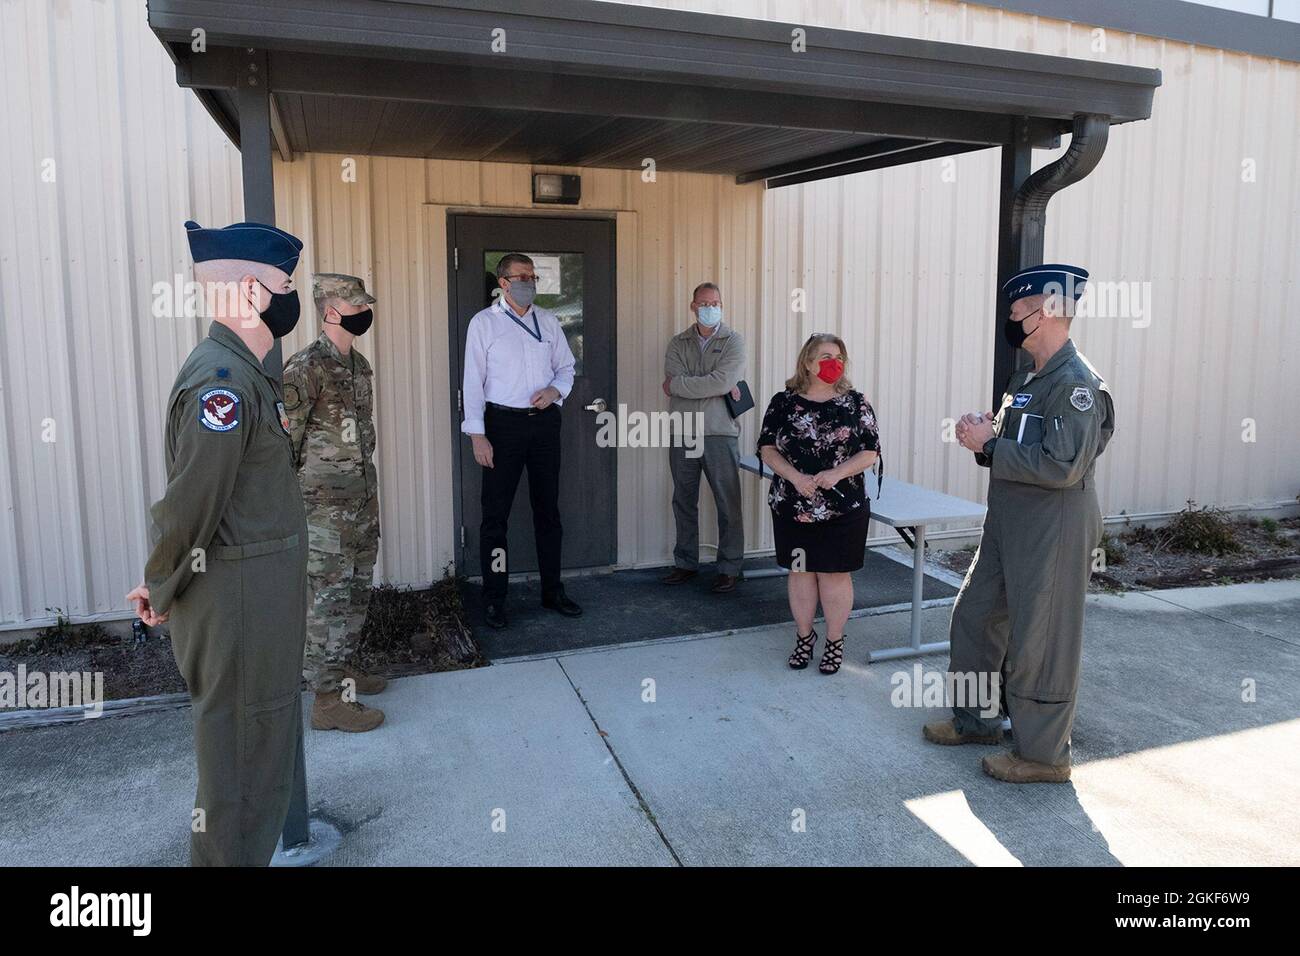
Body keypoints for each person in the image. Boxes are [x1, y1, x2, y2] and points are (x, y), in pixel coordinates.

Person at [126, 219, 308, 866]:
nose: (293, 299)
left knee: (256, 761)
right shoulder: (223, 384)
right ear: (255, 292)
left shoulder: (240, 373)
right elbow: (192, 502)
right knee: (239, 772)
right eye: (287, 284)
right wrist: (163, 583)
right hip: (237, 610)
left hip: (253, 603)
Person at [923, 263, 1114, 784]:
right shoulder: (1028, 378)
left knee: (1042, 640)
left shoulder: (1075, 385)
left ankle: (1044, 755)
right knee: (976, 615)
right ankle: (977, 720)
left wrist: (990, 445)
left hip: (1053, 530)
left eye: (1017, 313)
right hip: (1009, 523)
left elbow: (1061, 465)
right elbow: (1019, 447)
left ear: (1047, 311)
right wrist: (987, 436)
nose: (1011, 322)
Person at [283, 273, 386, 734]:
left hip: (361, 501)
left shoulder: (358, 365)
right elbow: (286, 444)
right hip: (323, 509)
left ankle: (343, 671)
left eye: (365, 305)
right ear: (330, 312)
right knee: (327, 600)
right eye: (355, 306)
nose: (364, 314)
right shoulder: (304, 368)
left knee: (357, 590)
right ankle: (326, 702)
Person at [461, 253, 583, 629]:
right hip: (502, 426)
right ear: (503, 283)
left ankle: (552, 590)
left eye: (532, 276)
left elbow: (566, 368)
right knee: (495, 518)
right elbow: (472, 382)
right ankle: (495, 597)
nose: (528, 282)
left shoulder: (548, 321)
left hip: (544, 425)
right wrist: (478, 436)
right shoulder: (484, 324)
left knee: (548, 512)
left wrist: (555, 390)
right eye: (521, 276)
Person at [757, 333, 880, 675]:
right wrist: (796, 477)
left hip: (843, 506)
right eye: (826, 356)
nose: (834, 363)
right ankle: (804, 637)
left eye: (839, 357)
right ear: (808, 363)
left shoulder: (856, 402)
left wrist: (837, 473)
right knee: (801, 572)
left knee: (834, 574)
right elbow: (767, 448)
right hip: (793, 505)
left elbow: (870, 452)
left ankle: (835, 641)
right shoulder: (783, 402)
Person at [661, 281, 747, 592]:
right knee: (683, 500)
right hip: (682, 431)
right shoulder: (678, 342)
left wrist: (684, 385)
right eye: (704, 303)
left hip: (719, 433)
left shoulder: (733, 341)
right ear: (693, 306)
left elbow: (721, 381)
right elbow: (673, 379)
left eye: (715, 303)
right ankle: (686, 562)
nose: (710, 308)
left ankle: (730, 566)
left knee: (728, 502)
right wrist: (711, 384)